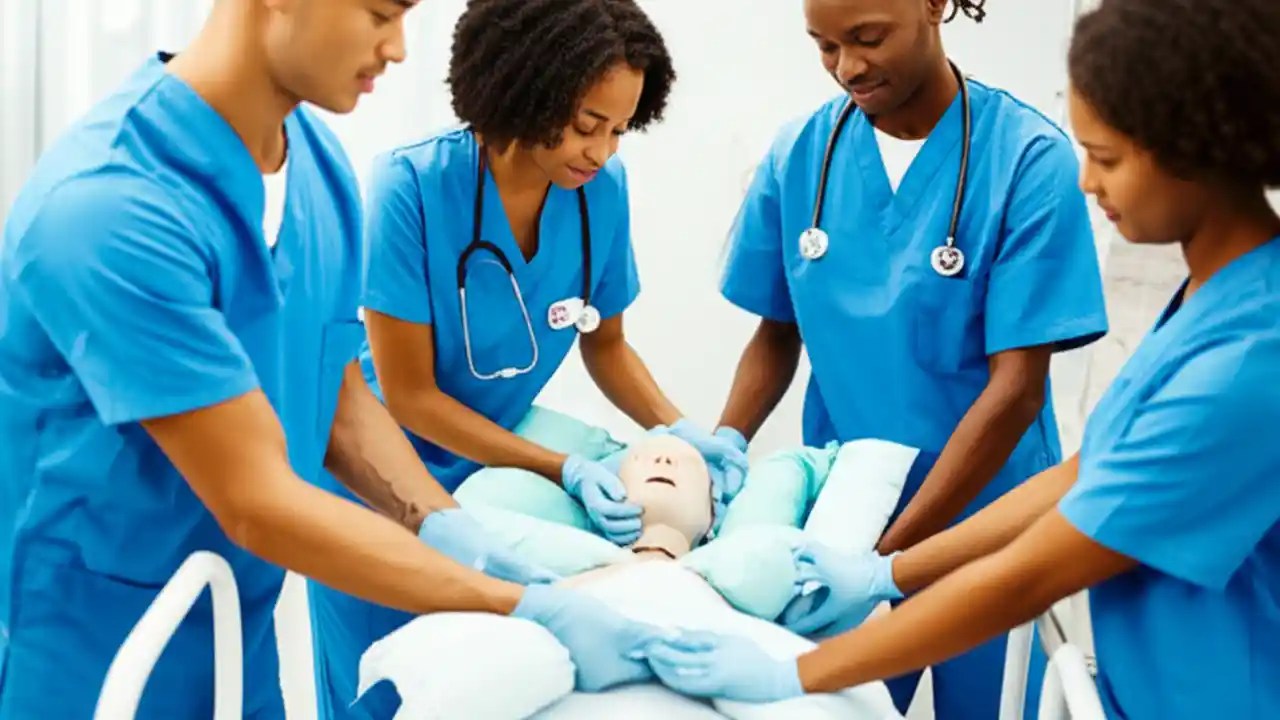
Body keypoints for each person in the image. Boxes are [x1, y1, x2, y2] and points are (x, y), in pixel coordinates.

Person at [0, 1, 667, 717]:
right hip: (95, 654)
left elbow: (342, 396)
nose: (400, 48)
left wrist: (448, 527)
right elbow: (256, 502)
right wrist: (520, 601)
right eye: (381, 13)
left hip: (239, 637)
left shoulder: (315, 169)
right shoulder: (112, 209)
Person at [643, 1, 1280, 718]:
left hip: (1218, 690)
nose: (1085, 182)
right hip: (1141, 674)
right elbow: (1088, 474)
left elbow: (1027, 575)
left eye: (1103, 158)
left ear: (1200, 146)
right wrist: (882, 569)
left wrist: (798, 670)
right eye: (825, 45)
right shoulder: (1216, 301)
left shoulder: (1249, 356)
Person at [312, 2, 743, 716]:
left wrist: (680, 429)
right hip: (380, 481)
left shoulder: (599, 193)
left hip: (496, 485)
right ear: (526, 87)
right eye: (585, 124)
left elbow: (607, 345)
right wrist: (562, 466)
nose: (601, 151)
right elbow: (410, 396)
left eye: (618, 130)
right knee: (380, 695)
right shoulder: (410, 188)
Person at [707, 0, 1108, 716]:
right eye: (824, 46)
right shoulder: (801, 154)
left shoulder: (1024, 158)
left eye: (867, 38)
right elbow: (775, 335)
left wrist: (888, 561)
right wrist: (718, 457)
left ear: (933, 6)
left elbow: (1017, 390)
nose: (847, 68)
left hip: (987, 525)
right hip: (845, 520)